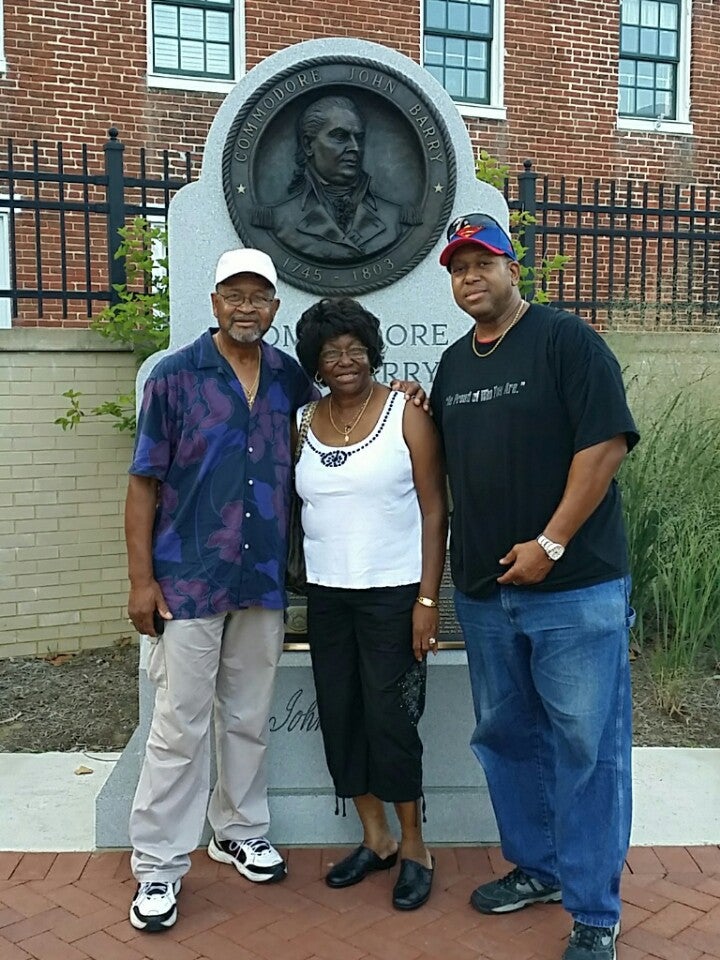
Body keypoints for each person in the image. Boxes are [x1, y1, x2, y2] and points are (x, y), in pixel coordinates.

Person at [124, 249, 426, 933]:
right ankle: (159, 866)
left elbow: (347, 423)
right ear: (214, 303)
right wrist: (142, 580)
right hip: (189, 582)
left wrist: (405, 392)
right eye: (235, 294)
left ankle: (238, 829)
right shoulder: (174, 379)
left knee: (247, 718)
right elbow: (143, 485)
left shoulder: (291, 378)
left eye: (260, 296)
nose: (247, 307)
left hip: (261, 584)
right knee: (178, 729)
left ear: (275, 309)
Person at [429, 214, 639, 960]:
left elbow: (606, 444)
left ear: (513, 268)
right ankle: (539, 868)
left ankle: (594, 911)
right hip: (488, 598)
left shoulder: (564, 340)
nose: (471, 276)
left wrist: (551, 543)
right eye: (458, 268)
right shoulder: (453, 366)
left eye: (483, 262)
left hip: (574, 589)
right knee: (507, 739)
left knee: (587, 746)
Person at [293, 297, 448, 911]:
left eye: (355, 347)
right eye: (331, 352)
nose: (345, 359)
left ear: (371, 350)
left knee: (391, 720)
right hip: (328, 596)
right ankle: (375, 837)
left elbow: (436, 508)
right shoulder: (301, 422)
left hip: (394, 594)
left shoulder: (405, 413)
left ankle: (415, 846)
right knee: (341, 715)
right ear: (317, 363)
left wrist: (428, 599)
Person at [256, 95, 419, 261]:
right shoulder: (280, 218)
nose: (355, 148)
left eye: (359, 138)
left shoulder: (395, 218)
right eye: (340, 137)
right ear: (308, 145)